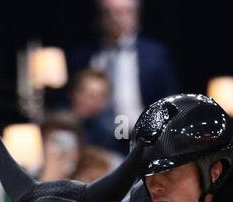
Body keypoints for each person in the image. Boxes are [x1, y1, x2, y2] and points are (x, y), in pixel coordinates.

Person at [67, 0, 178, 134]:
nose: (115, 18)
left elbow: (169, 100)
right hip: (92, 136)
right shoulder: (83, 55)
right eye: (108, 13)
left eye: (122, 12)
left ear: (136, 15)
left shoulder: (155, 55)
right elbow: (68, 99)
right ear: (98, 17)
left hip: (140, 137)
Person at [66, 67, 119, 152]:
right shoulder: (52, 121)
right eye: (90, 95)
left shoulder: (104, 134)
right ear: (74, 93)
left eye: (101, 96)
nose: (95, 101)